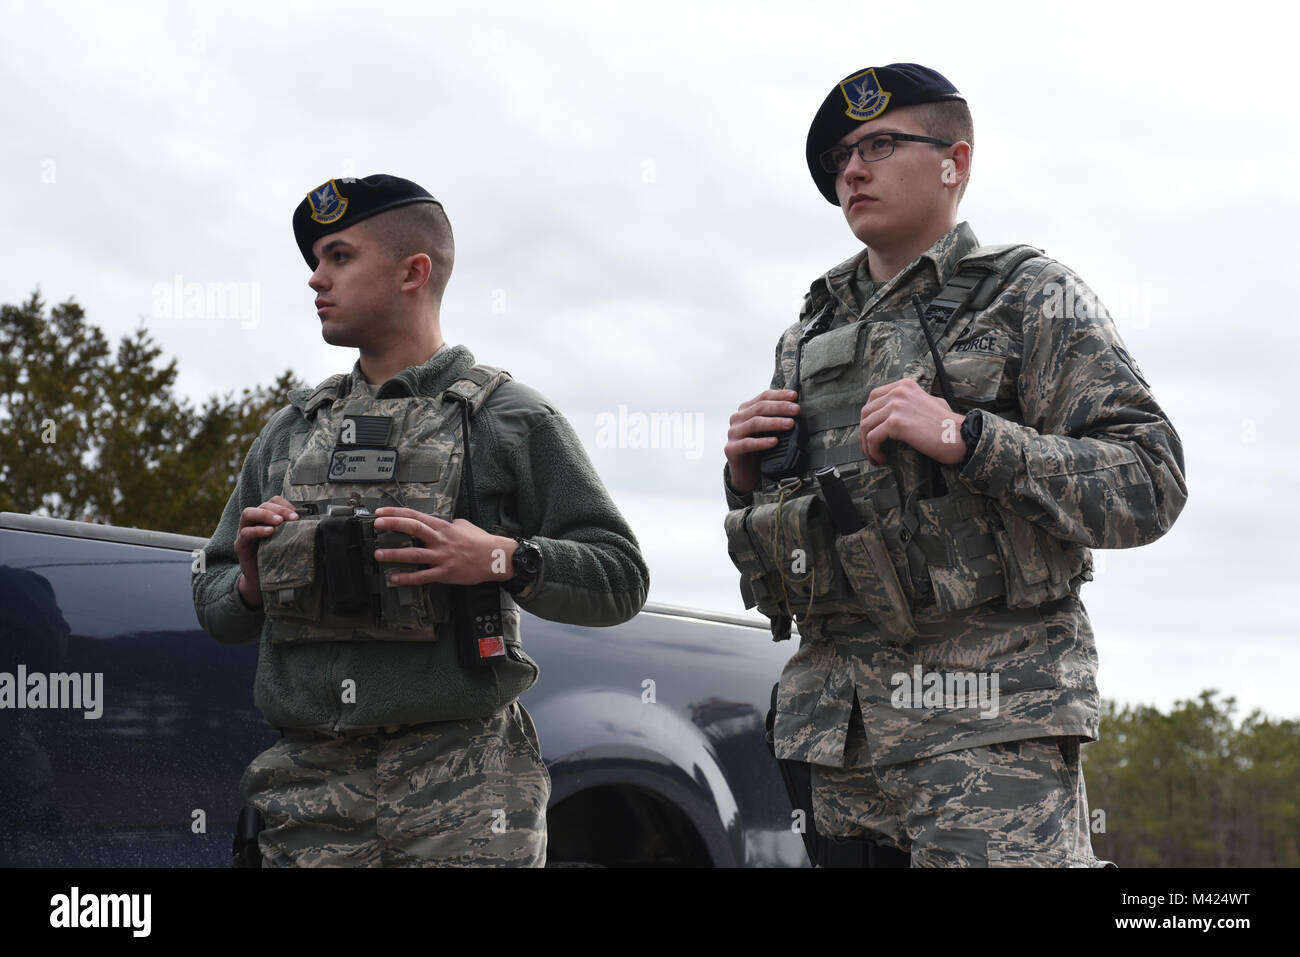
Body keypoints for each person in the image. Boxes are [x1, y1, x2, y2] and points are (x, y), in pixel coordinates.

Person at [723, 64, 1186, 867]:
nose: (851, 172)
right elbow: (802, 533)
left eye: (878, 145)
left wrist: (971, 438)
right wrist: (742, 476)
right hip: (840, 740)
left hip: (988, 729)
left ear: (954, 162)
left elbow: (1150, 480)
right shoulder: (808, 334)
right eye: (839, 159)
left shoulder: (1030, 296)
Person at [193, 173, 649, 867]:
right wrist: (250, 582)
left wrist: (501, 557)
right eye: (314, 261)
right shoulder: (289, 433)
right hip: (308, 794)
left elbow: (620, 576)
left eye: (339, 257)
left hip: (462, 789)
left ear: (413, 271)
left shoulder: (508, 418)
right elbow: (216, 598)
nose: (317, 278)